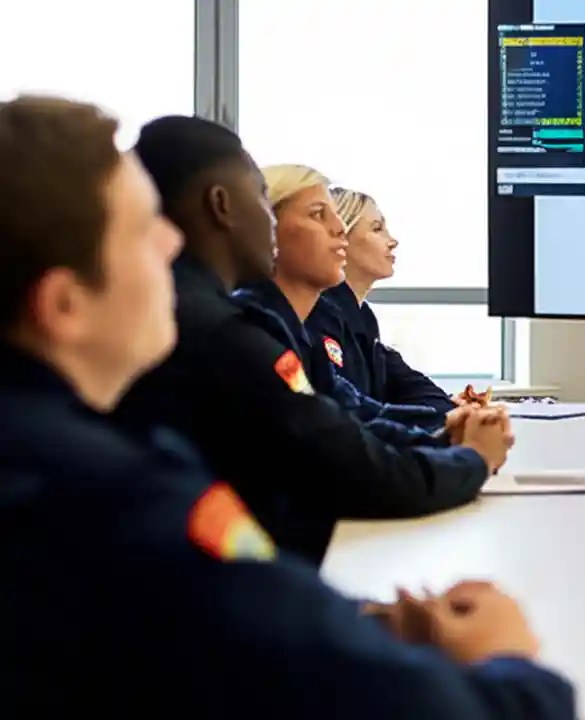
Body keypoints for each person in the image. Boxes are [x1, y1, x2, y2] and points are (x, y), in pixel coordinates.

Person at [0, 95, 574, 717]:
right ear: (64, 307)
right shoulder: (115, 491)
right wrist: (508, 659)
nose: (172, 245)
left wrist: (343, 627)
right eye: (142, 231)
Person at [115, 116, 511, 565]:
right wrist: (473, 460)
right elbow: (358, 473)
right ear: (222, 205)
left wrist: (444, 439)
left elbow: (344, 421)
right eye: (262, 199)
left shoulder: (211, 317)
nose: (266, 217)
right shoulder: (224, 335)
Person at [231, 165, 439, 429]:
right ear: (267, 227)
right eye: (318, 214)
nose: (339, 228)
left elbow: (356, 411)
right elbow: (333, 435)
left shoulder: (302, 336)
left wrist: (450, 426)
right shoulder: (256, 331)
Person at [309, 187, 484, 414]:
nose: (392, 241)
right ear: (341, 237)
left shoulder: (362, 317)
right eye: (377, 229)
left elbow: (406, 383)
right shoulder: (320, 314)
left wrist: (449, 409)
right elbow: (350, 409)